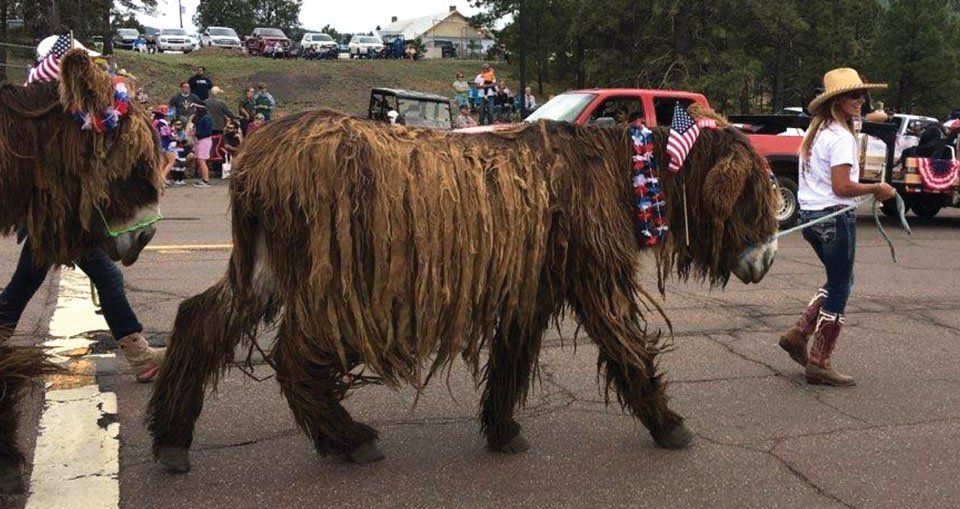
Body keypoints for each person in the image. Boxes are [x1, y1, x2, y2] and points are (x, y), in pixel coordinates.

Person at [778, 68, 896, 387]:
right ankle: (819, 361)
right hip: (833, 217)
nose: (861, 100)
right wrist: (876, 188)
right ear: (837, 100)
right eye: (853, 95)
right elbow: (842, 187)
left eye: (862, 95)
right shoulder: (841, 138)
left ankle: (799, 333)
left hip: (811, 217)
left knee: (840, 280)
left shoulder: (816, 132)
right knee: (842, 286)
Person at [0, 236, 164, 382]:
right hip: (61, 223)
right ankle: (140, 356)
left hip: (55, 223)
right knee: (108, 278)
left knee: (24, 283)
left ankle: (140, 356)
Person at [152, 105, 176, 186]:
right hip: (166, 143)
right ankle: (162, 179)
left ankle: (158, 178)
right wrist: (172, 130)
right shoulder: (162, 122)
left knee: (163, 162)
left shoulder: (155, 121)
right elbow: (165, 133)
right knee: (171, 162)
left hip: (159, 143)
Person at [191, 104, 214, 188]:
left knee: (202, 160)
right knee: (199, 160)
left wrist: (196, 133)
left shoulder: (206, 119)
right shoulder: (200, 118)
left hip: (204, 141)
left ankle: (206, 180)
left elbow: (208, 132)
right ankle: (203, 178)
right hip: (200, 141)